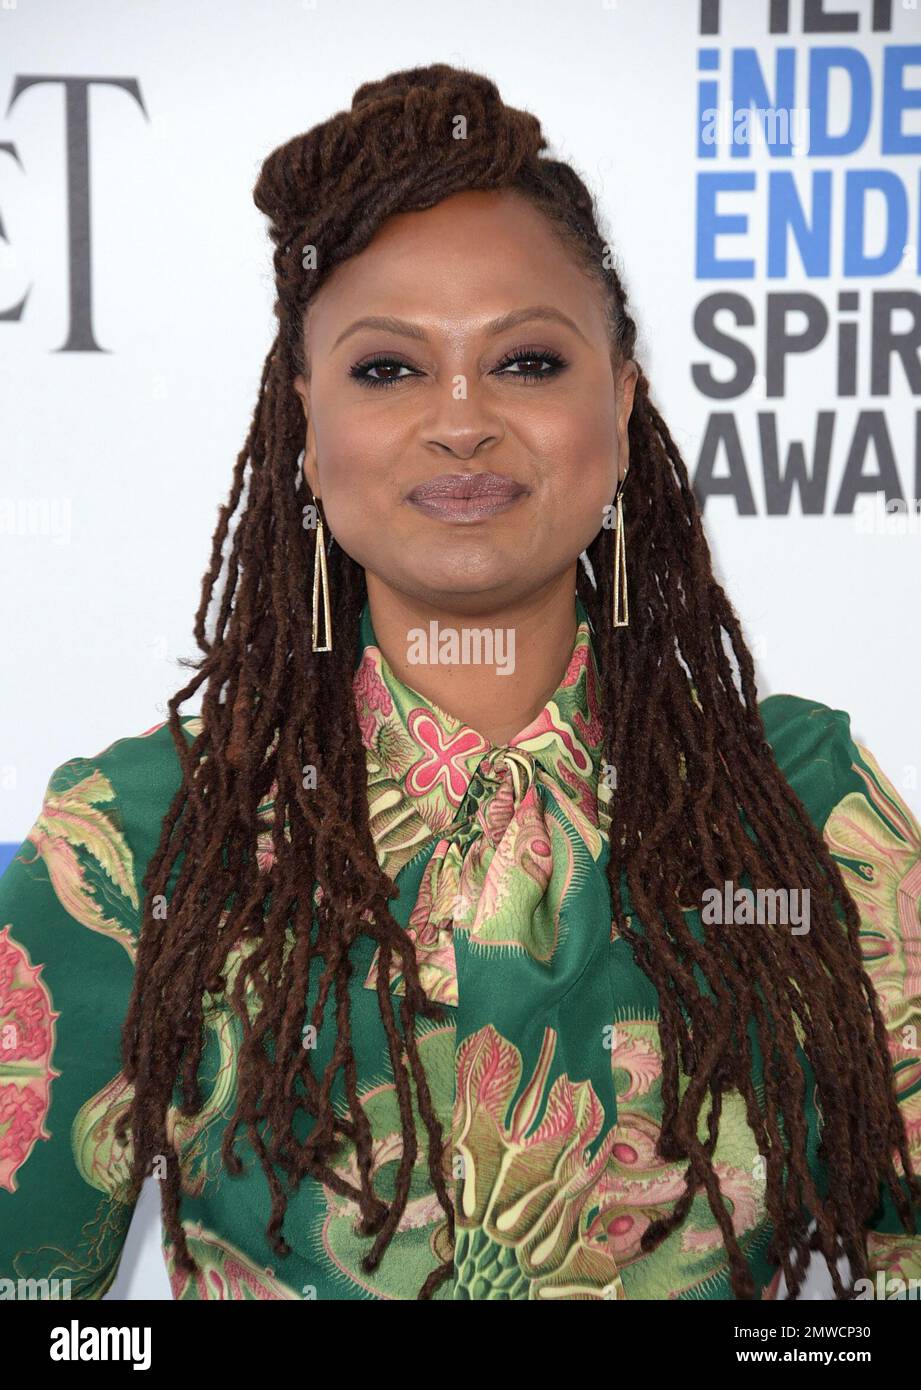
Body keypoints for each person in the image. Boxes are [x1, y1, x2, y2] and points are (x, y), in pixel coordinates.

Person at [1, 63, 918, 1303]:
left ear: (624, 403)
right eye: (389, 370)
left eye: (528, 362)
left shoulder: (803, 805)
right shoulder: (137, 837)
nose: (463, 419)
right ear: (304, 426)